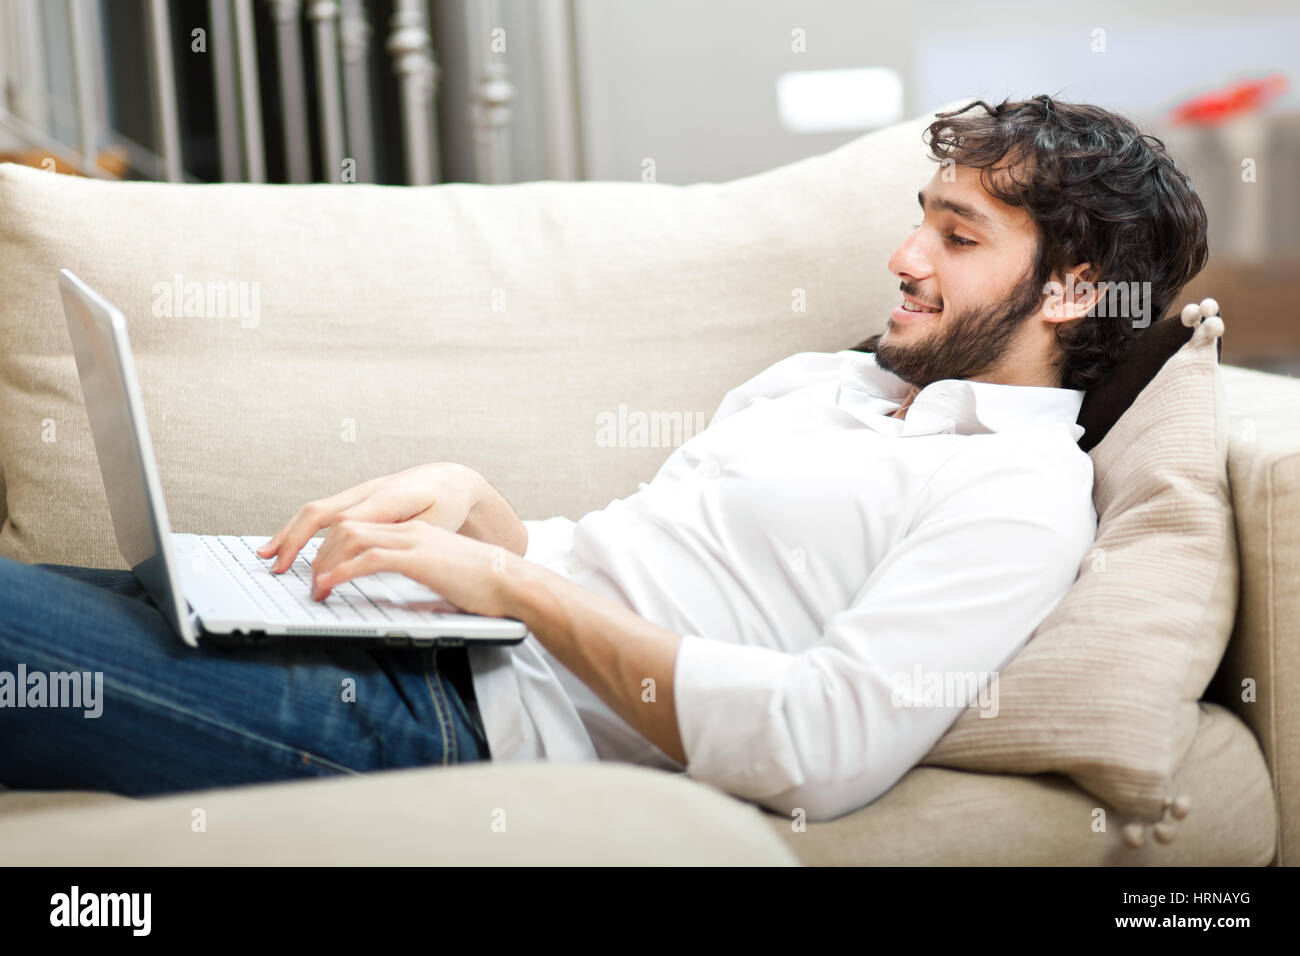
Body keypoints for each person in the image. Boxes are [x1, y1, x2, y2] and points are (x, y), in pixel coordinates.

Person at [0, 95, 1209, 822]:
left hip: (442, 720)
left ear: (1074, 287)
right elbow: (645, 566)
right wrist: (490, 524)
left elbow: (820, 751)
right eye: (920, 214)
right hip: (407, 630)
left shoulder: (1015, 497)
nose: (904, 253)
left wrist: (513, 591)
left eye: (956, 234)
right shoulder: (828, 382)